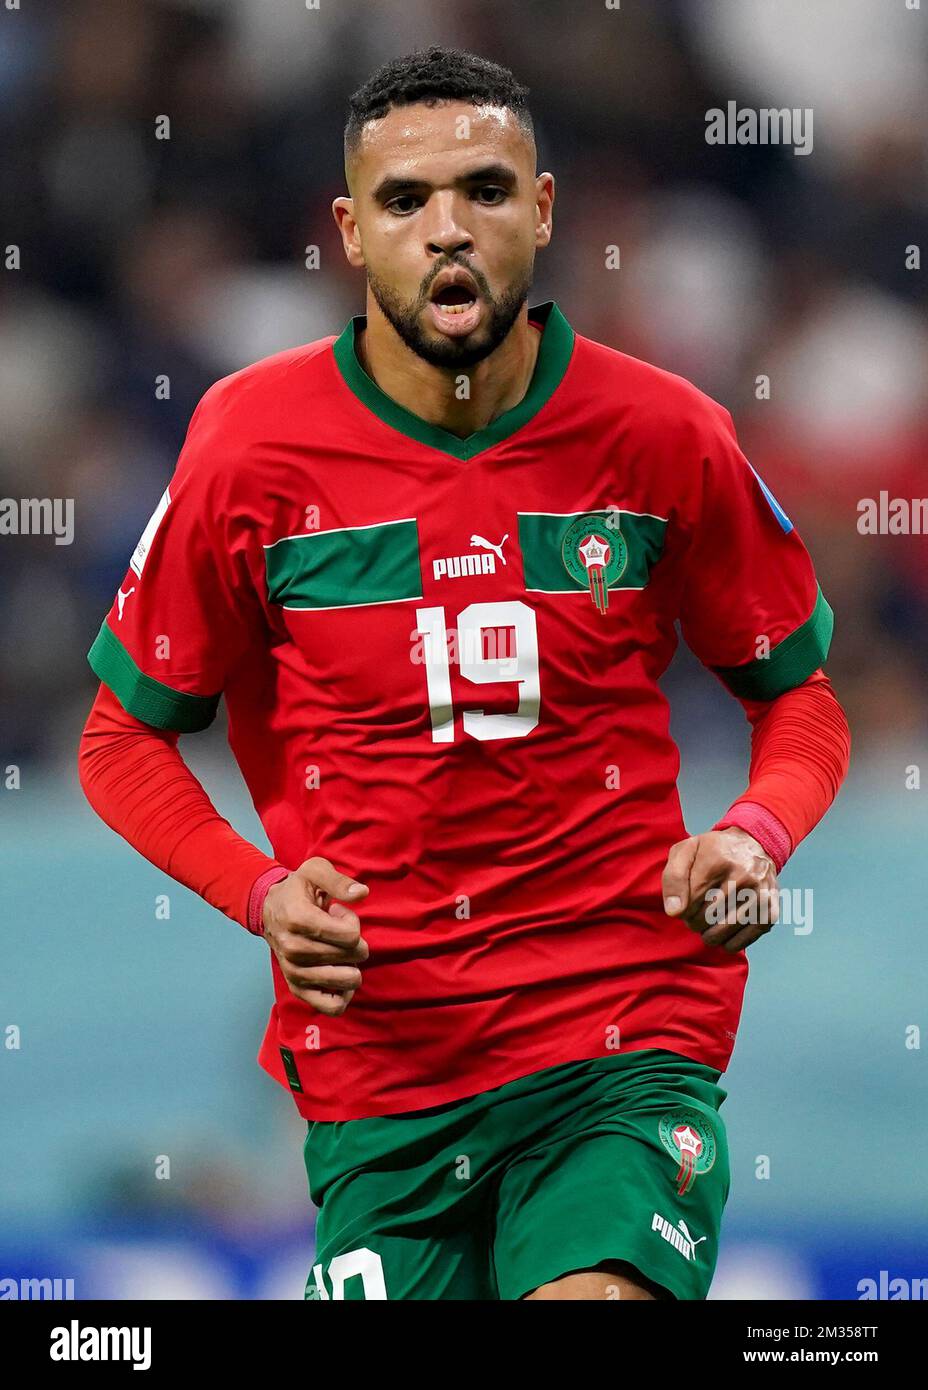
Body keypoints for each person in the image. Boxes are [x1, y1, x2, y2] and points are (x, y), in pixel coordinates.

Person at [78, 46, 850, 1301]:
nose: (448, 228)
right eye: (404, 199)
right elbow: (121, 741)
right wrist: (260, 890)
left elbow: (800, 698)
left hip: (620, 1031)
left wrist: (756, 836)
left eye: (485, 190)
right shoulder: (248, 447)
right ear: (350, 231)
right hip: (384, 1072)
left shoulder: (663, 434)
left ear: (542, 211)